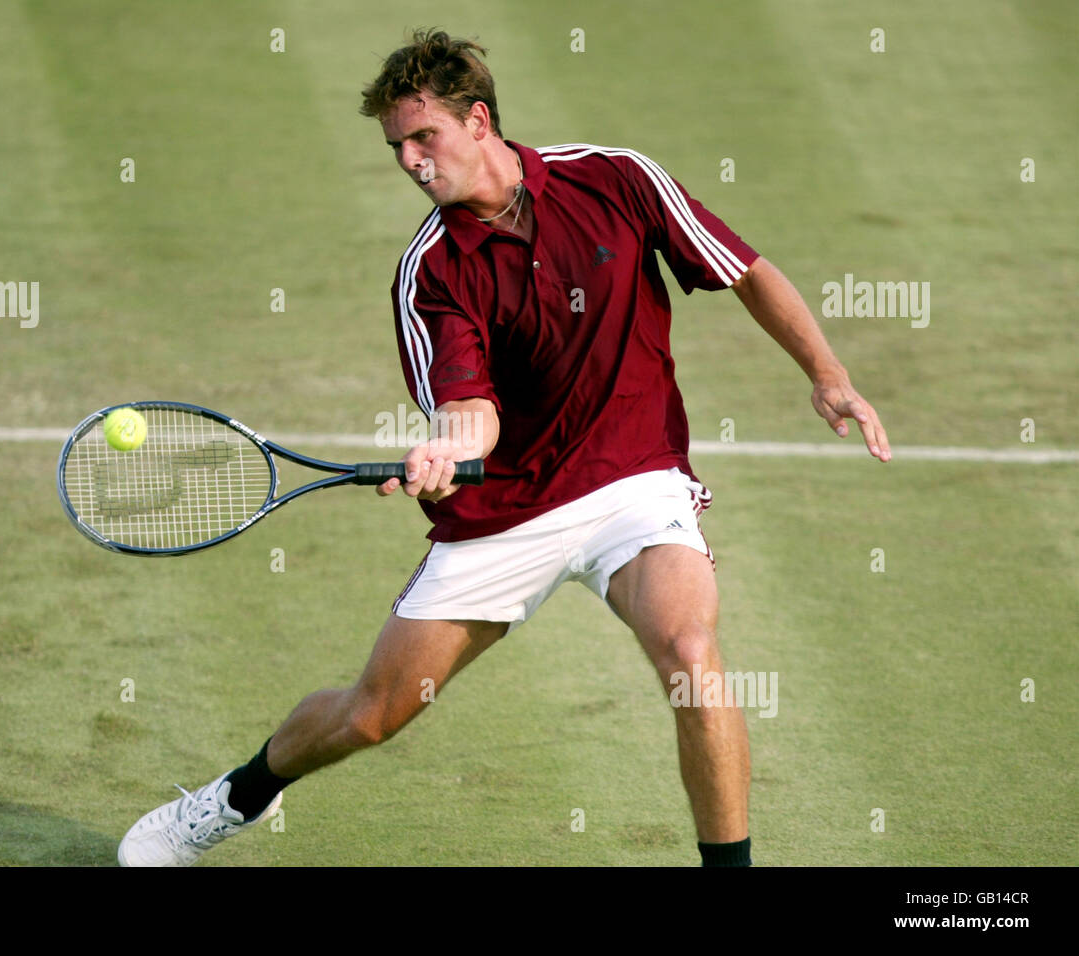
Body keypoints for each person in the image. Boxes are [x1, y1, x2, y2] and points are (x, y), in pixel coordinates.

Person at [117, 28, 890, 868]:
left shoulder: (616, 178)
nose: (410, 160)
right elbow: (470, 406)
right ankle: (238, 795)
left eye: (424, 137)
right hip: (506, 509)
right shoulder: (432, 269)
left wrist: (827, 371)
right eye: (396, 146)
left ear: (477, 120)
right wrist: (448, 450)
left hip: (632, 475)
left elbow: (742, 268)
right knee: (372, 714)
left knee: (691, 655)